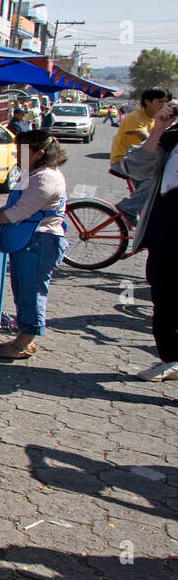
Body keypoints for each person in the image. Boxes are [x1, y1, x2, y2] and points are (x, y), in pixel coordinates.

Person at [0, 130, 69, 360]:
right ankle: (22, 338)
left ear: (40, 153)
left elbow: (17, 212)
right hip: (27, 241)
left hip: (40, 241)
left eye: (23, 152)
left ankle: (22, 344)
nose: (18, 155)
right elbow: (13, 204)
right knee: (21, 290)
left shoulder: (46, 178)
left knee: (32, 292)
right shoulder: (32, 173)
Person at [119, 100, 178, 380]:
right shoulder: (170, 139)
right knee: (163, 295)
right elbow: (134, 169)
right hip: (166, 229)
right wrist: (157, 131)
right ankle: (171, 358)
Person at [112, 88, 172, 223]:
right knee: (157, 180)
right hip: (125, 161)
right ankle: (128, 208)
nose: (164, 105)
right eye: (160, 101)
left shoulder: (154, 119)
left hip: (142, 162)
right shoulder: (135, 117)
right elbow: (146, 139)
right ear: (147, 102)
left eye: (167, 102)